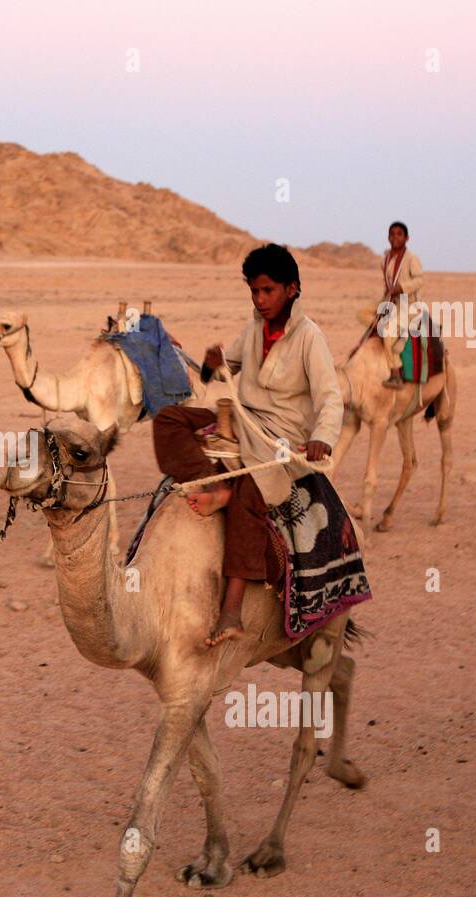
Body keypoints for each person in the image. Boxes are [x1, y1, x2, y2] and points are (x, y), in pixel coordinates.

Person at [152, 244, 342, 646]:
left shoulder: (310, 338)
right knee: (169, 419)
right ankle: (214, 483)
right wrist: (210, 361)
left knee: (251, 496)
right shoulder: (255, 325)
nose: (260, 299)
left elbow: (330, 396)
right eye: (254, 291)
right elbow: (227, 366)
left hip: (280, 441)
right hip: (243, 421)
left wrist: (322, 437)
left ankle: (232, 610)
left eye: (268, 290)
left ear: (292, 289)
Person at [378, 221, 424, 389]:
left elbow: (420, 280)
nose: (395, 237)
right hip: (392, 304)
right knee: (367, 320)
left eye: (399, 234)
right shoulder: (386, 260)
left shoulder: (411, 259)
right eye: (392, 234)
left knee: (388, 332)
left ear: (407, 238)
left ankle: (395, 373)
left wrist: (402, 288)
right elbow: (387, 285)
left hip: (409, 306)